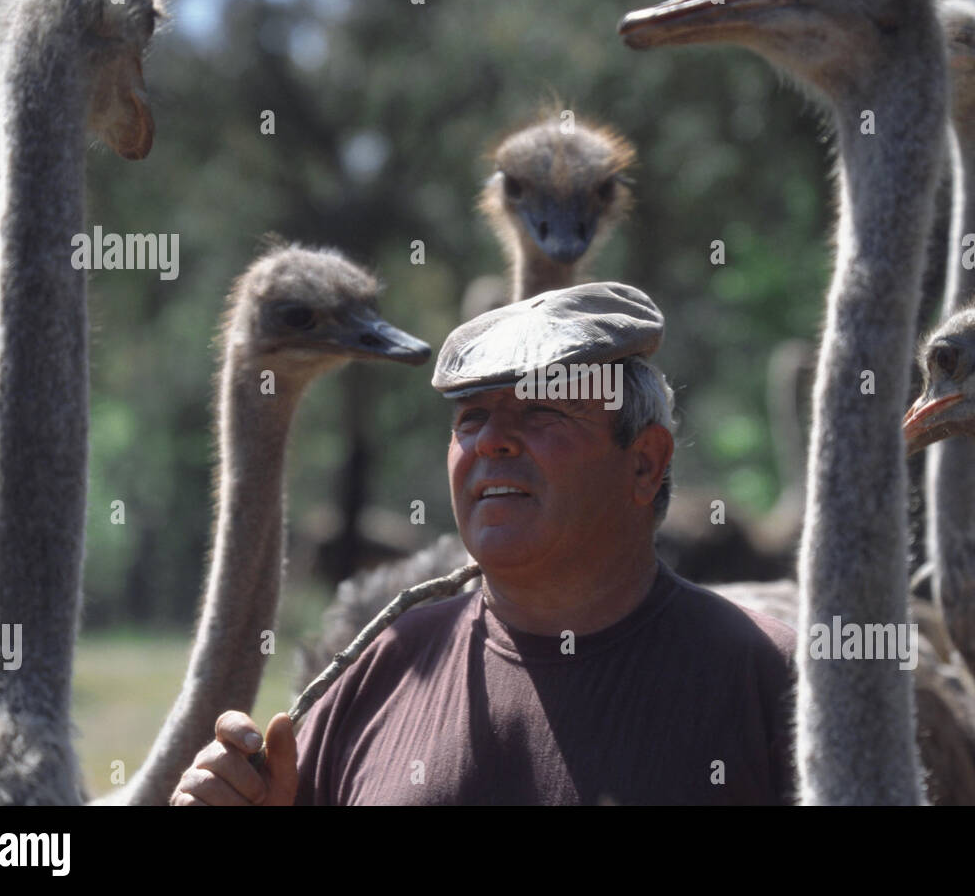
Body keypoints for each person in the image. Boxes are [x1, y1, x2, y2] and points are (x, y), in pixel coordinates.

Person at [171, 282, 796, 805]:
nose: (491, 441)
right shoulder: (380, 674)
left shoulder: (775, 684)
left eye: (544, 411)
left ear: (644, 464)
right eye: (471, 417)